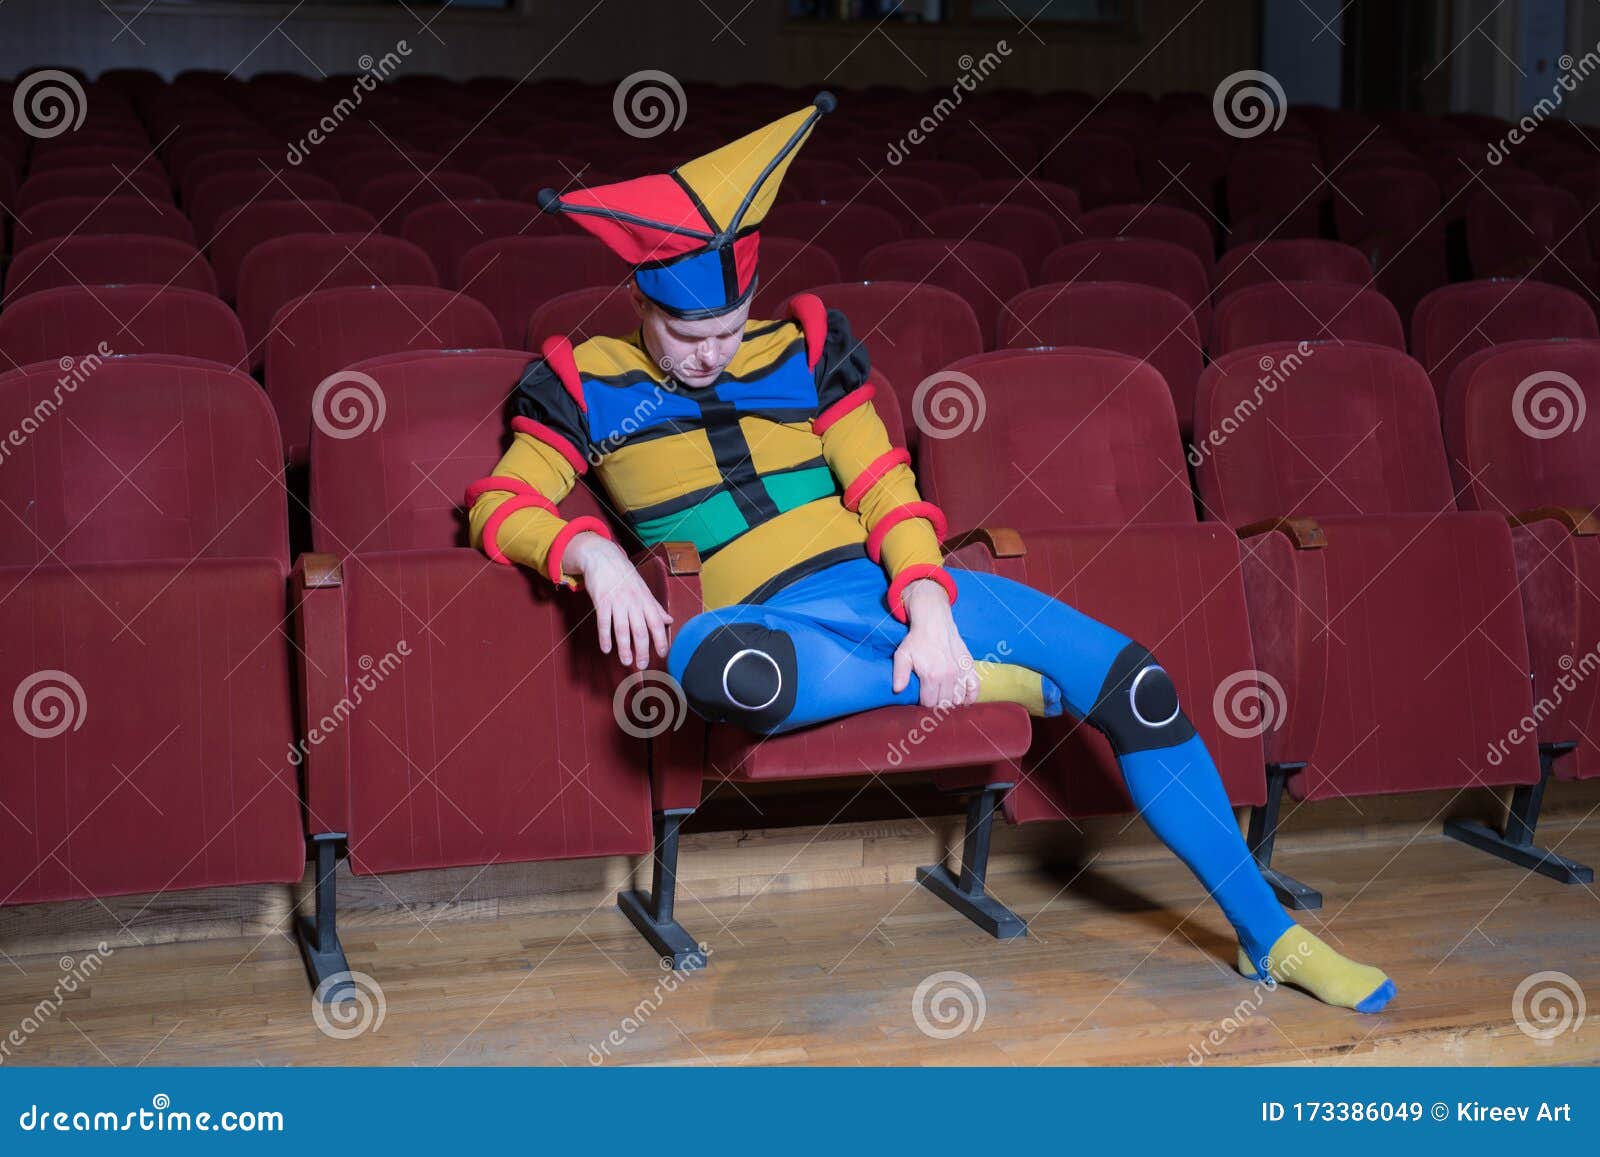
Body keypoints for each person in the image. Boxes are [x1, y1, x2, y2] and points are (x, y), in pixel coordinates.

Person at [467, 93, 1395, 1014]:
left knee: (1138, 683)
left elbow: (884, 488)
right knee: (720, 670)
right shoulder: (585, 380)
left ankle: (1271, 936)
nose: (708, 355)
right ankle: (1003, 680)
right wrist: (594, 553)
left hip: (887, 591)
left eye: (726, 331)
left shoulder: (808, 350)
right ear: (641, 302)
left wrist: (931, 606)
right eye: (685, 336)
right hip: (769, 627)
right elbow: (500, 504)